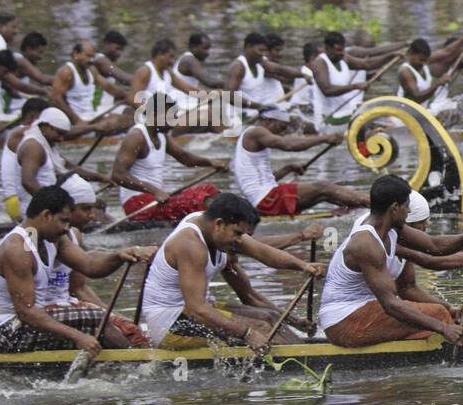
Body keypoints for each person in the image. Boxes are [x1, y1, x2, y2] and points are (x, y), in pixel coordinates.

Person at [0, 185, 153, 357]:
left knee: (118, 323)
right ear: (46, 215)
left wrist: (120, 256)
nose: (66, 228)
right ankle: (137, 363)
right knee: (95, 316)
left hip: (29, 320)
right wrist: (78, 336)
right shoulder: (17, 249)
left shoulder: (54, 239)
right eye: (63, 221)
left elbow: (91, 266)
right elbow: (26, 312)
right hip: (6, 331)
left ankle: (126, 358)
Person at [140, 192, 324, 351]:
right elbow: (197, 310)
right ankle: (305, 363)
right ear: (219, 224)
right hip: (170, 325)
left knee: (270, 317)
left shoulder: (215, 227)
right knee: (260, 327)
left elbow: (263, 253)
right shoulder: (191, 245)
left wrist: (303, 266)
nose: (239, 241)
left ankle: (304, 353)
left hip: (194, 312)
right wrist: (247, 333)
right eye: (237, 234)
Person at [316, 176, 463, 347]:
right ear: (395, 208)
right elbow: (391, 304)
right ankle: (445, 349)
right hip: (343, 322)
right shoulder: (366, 243)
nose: (408, 212)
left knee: (437, 314)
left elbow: (434, 246)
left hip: (362, 311)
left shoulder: (392, 229)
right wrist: (443, 328)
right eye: (407, 206)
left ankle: (422, 349)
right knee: (437, 314)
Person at [110, 94, 227, 223]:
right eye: (171, 116)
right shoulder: (136, 136)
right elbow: (118, 175)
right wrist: (154, 191)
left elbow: (185, 158)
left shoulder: (162, 135)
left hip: (157, 198)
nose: (175, 121)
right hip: (138, 204)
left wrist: (210, 162)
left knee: (209, 190)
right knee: (198, 201)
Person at [233, 109, 366, 215]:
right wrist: (324, 138)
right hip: (267, 200)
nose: (282, 131)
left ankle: (359, 207)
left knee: (324, 194)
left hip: (264, 201)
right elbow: (288, 145)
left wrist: (288, 169)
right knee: (323, 187)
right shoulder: (256, 132)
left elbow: (261, 180)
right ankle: (375, 202)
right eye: (281, 126)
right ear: (268, 120)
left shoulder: (251, 137)